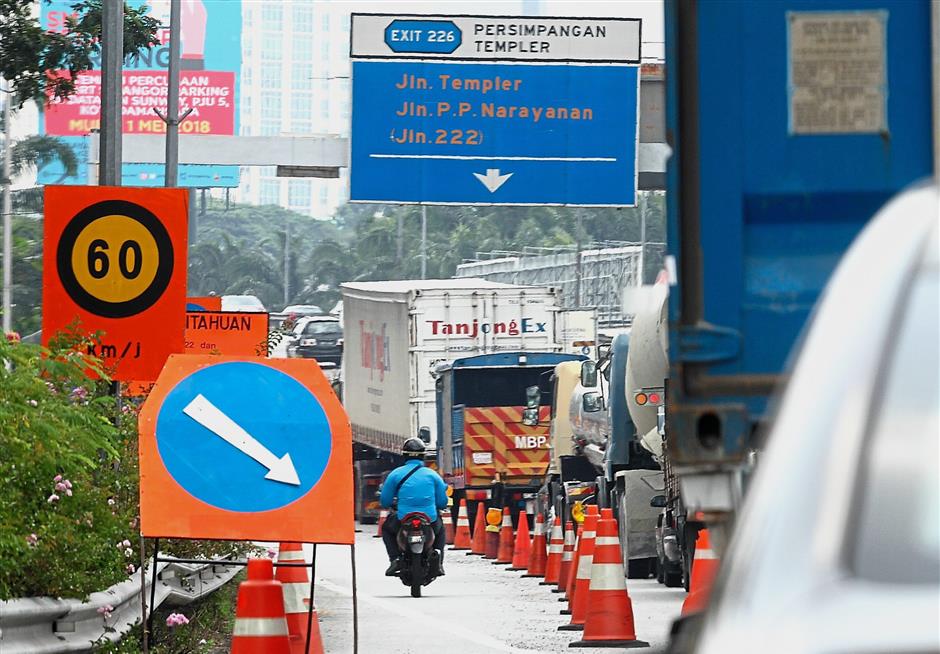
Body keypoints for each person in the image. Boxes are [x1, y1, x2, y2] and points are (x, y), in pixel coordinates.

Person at [380, 437, 448, 577]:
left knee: (386, 528)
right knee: (440, 530)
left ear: (404, 455)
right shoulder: (432, 475)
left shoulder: (395, 474)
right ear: (423, 455)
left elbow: (385, 501)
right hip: (430, 519)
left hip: (402, 519)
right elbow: (442, 502)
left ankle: (394, 559)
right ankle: (439, 563)